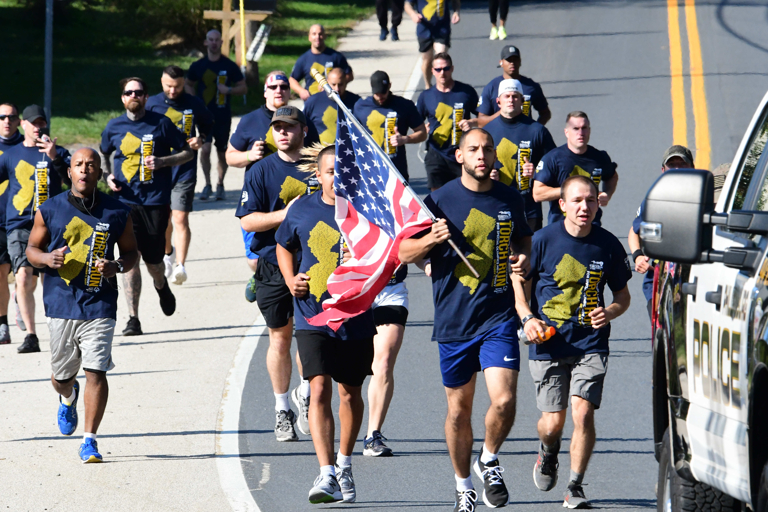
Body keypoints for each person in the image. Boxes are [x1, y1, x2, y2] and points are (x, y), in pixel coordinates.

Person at [400, 128, 533, 512]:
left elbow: (523, 239)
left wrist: (522, 258)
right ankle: (463, 486)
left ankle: (488, 458)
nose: (481, 155)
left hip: (498, 316)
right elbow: (404, 252)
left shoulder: (509, 197)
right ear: (459, 156)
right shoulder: (438, 201)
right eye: (473, 149)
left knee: (504, 400)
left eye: (487, 149)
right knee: (459, 411)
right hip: (454, 321)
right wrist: (431, 240)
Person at [512, 175, 631, 509]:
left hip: (591, 343)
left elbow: (623, 297)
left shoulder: (608, 244)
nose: (584, 207)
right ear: (562, 204)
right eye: (577, 200)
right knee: (552, 424)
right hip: (548, 343)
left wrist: (609, 312)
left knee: (583, 413)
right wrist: (527, 317)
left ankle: (575, 486)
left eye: (590, 200)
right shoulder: (542, 240)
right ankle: (548, 452)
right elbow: (519, 283)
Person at [276, 144, 376, 504]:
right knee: (318, 388)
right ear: (318, 175)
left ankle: (345, 464)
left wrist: (363, 257)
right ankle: (327, 472)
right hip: (312, 314)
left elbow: (388, 255)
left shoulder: (366, 212)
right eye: (331, 171)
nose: (338, 178)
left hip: (355, 315)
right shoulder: (301, 209)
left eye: (343, 171)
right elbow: (283, 245)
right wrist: (290, 279)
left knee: (350, 392)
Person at [26, 148, 138, 463]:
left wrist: (116, 265)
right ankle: (68, 395)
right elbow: (32, 249)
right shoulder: (50, 209)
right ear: (70, 172)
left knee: (96, 370)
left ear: (99, 172)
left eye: (91, 165)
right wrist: (47, 258)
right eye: (78, 164)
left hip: (100, 302)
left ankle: (89, 440)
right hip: (61, 302)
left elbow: (131, 253)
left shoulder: (118, 211)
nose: (85, 169)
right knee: (61, 377)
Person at [352, 70, 426, 456]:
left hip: (392, 289)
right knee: (350, 371)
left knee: (382, 364)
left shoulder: (402, 203)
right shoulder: (349, 203)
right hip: (357, 290)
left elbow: (417, 247)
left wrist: (430, 265)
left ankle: (373, 434)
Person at [236, 106, 318, 442]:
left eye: (289, 127)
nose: (282, 132)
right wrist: (286, 214)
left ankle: (306, 393)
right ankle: (282, 409)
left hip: (315, 264)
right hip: (272, 264)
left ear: (303, 131)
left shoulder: (319, 166)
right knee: (280, 338)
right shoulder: (260, 170)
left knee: (312, 336)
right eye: (277, 127)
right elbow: (247, 220)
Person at [101, 77, 194, 336]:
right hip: (124, 203)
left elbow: (187, 152)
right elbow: (104, 153)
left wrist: (163, 162)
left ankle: (161, 284)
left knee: (154, 262)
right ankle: (133, 319)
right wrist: (107, 176)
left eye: (138, 92)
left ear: (145, 97)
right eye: (128, 92)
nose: (134, 96)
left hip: (155, 202)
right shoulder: (114, 126)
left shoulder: (161, 124)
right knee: (129, 259)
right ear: (123, 98)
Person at [227, 70, 319, 302]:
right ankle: (259, 276)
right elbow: (230, 156)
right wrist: (249, 156)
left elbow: (316, 154)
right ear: (265, 91)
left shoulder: (301, 120)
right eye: (273, 86)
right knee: (255, 259)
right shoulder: (250, 121)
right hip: (261, 197)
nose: (279, 90)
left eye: (284, 86)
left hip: (298, 190)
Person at [0, 104, 71, 354]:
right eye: (34, 123)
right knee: (22, 275)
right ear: (24, 125)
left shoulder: (57, 152)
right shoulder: (11, 155)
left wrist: (55, 157)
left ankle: (57, 329)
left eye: (42, 123)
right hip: (19, 224)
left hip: (51, 225)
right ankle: (31, 335)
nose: (38, 127)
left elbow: (73, 180)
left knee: (48, 280)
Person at [146, 65, 213, 285]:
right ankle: (168, 252)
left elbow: (208, 124)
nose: (173, 91)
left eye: (177, 86)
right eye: (169, 86)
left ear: (184, 83)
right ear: (161, 82)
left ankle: (180, 266)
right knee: (164, 219)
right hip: (160, 170)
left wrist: (201, 138)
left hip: (185, 168)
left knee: (180, 217)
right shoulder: (152, 104)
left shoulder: (193, 103)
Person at [628, 145, 693, 320]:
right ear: (663, 170)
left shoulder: (703, 197)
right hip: (659, 284)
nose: (677, 169)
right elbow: (634, 231)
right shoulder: (655, 198)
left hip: (692, 283)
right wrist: (638, 256)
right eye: (672, 165)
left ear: (692, 168)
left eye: (683, 164)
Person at [484, 79, 556, 232]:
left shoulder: (537, 131)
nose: (511, 100)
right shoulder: (487, 132)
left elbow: (555, 167)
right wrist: (486, 175)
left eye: (515, 96)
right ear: (498, 101)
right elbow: (472, 169)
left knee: (531, 248)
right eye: (507, 96)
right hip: (496, 207)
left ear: (523, 101)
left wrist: (536, 172)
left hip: (529, 211)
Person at [186, 29, 247, 201]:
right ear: (206, 42)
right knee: (205, 149)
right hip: (204, 117)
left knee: (222, 152)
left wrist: (229, 90)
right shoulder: (198, 65)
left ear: (221, 42)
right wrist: (193, 100)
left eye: (216, 40)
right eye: (210, 40)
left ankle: (220, 184)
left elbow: (243, 87)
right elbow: (188, 83)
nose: (213, 43)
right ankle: (207, 184)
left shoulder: (229, 66)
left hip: (222, 115)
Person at [533, 111, 618, 227]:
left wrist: (607, 194)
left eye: (584, 128)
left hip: (592, 225)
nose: (581, 133)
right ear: (566, 132)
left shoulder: (599, 157)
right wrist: (570, 190)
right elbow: (538, 194)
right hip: (560, 226)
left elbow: (612, 176)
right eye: (576, 129)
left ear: (589, 131)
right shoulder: (552, 159)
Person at [416, 53, 479, 191]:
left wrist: (473, 123)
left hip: (461, 153)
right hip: (436, 154)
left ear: (452, 69)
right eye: (438, 69)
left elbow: (484, 117)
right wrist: (423, 130)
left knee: (465, 195)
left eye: (446, 68)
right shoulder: (426, 96)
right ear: (432, 71)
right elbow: (416, 124)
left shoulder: (466, 92)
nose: (442, 73)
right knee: (437, 198)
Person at [477, 46, 550, 127]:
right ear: (501, 62)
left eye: (515, 59)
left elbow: (545, 113)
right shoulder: (491, 87)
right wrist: (501, 113)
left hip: (523, 133)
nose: (512, 63)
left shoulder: (531, 86)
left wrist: (534, 129)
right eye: (509, 60)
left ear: (520, 61)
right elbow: (481, 121)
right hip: (499, 133)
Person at [0, 103, 23, 345]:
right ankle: (3, 323)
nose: (7, 121)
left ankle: (21, 296)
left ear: (19, 121)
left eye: (11, 117)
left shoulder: (27, 146)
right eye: (2, 117)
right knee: (1, 272)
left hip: (23, 220)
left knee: (28, 276)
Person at [404, 0, 461, 89]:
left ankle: (443, 87)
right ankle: (428, 86)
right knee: (427, 61)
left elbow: (456, 1)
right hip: (424, 29)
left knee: (441, 58)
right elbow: (407, 4)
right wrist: (413, 14)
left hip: (442, 28)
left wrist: (456, 12)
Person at [289, 25, 353, 101]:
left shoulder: (336, 56)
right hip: (311, 101)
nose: (317, 37)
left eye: (320, 34)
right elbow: (292, 79)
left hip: (333, 100)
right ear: (309, 37)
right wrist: (301, 91)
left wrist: (332, 85)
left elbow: (349, 75)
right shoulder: (303, 59)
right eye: (314, 34)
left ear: (325, 36)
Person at [304, 68, 361, 146]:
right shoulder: (313, 101)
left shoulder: (356, 102)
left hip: (349, 150)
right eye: (333, 84)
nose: (337, 89)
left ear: (346, 82)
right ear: (327, 83)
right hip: (320, 151)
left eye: (340, 84)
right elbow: (302, 126)